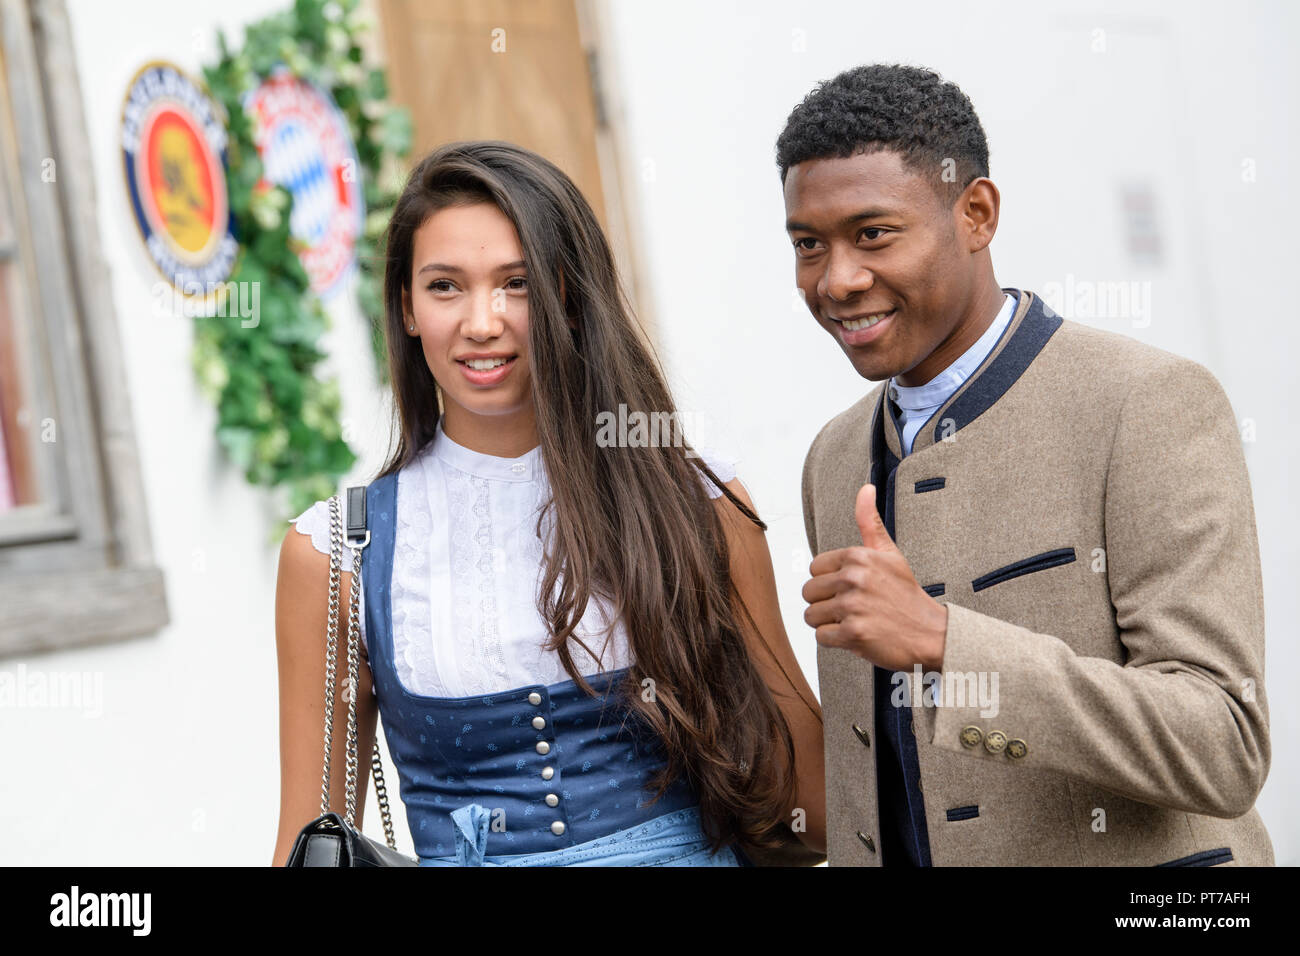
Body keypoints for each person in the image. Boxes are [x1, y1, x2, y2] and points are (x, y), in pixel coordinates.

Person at [271, 140, 825, 866]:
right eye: (445, 286)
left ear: (569, 295)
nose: (482, 321)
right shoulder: (337, 553)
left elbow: (806, 809)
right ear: (405, 307)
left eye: (518, 283)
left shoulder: (697, 503)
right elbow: (308, 840)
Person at [783, 64, 1272, 866]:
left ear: (976, 213)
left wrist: (945, 641)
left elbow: (1224, 743)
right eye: (809, 245)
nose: (837, 280)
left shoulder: (1146, 403)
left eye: (873, 234)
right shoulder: (833, 459)